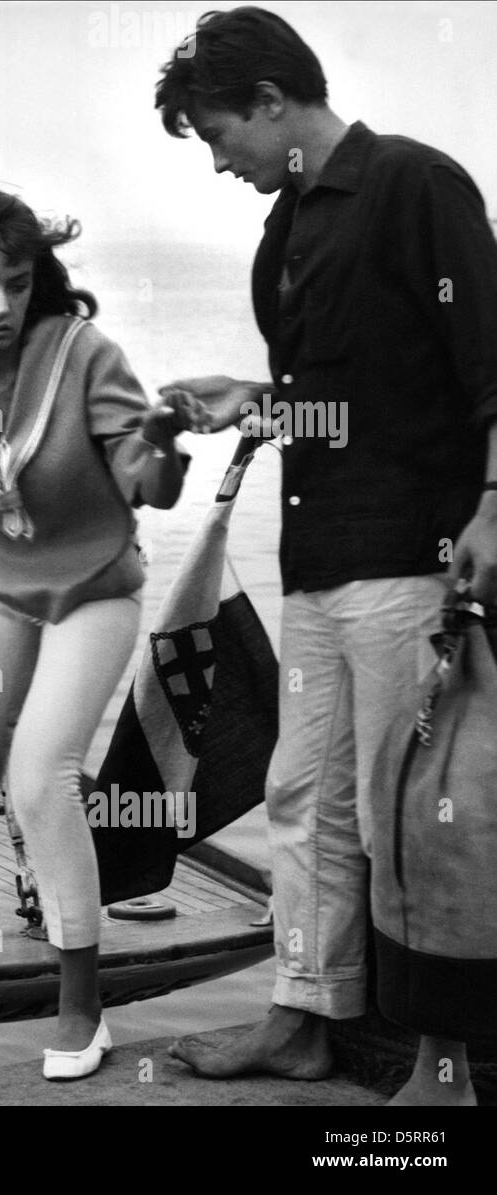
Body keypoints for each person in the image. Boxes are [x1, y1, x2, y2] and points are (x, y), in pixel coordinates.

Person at [153, 7, 497, 1105]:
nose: (219, 162)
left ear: (270, 100)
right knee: (303, 796)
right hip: (319, 558)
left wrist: (493, 507)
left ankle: (444, 1068)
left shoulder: (414, 185)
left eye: (219, 135)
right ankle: (304, 1015)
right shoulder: (288, 224)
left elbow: (488, 367)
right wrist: (254, 399)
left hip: (411, 560)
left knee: (413, 814)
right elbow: (352, 397)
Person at [0, 190, 198, 1079]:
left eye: (17, 285)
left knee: (40, 775)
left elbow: (151, 488)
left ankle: (81, 999)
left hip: (95, 590)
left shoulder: (82, 354)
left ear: (37, 282)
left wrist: (163, 441)